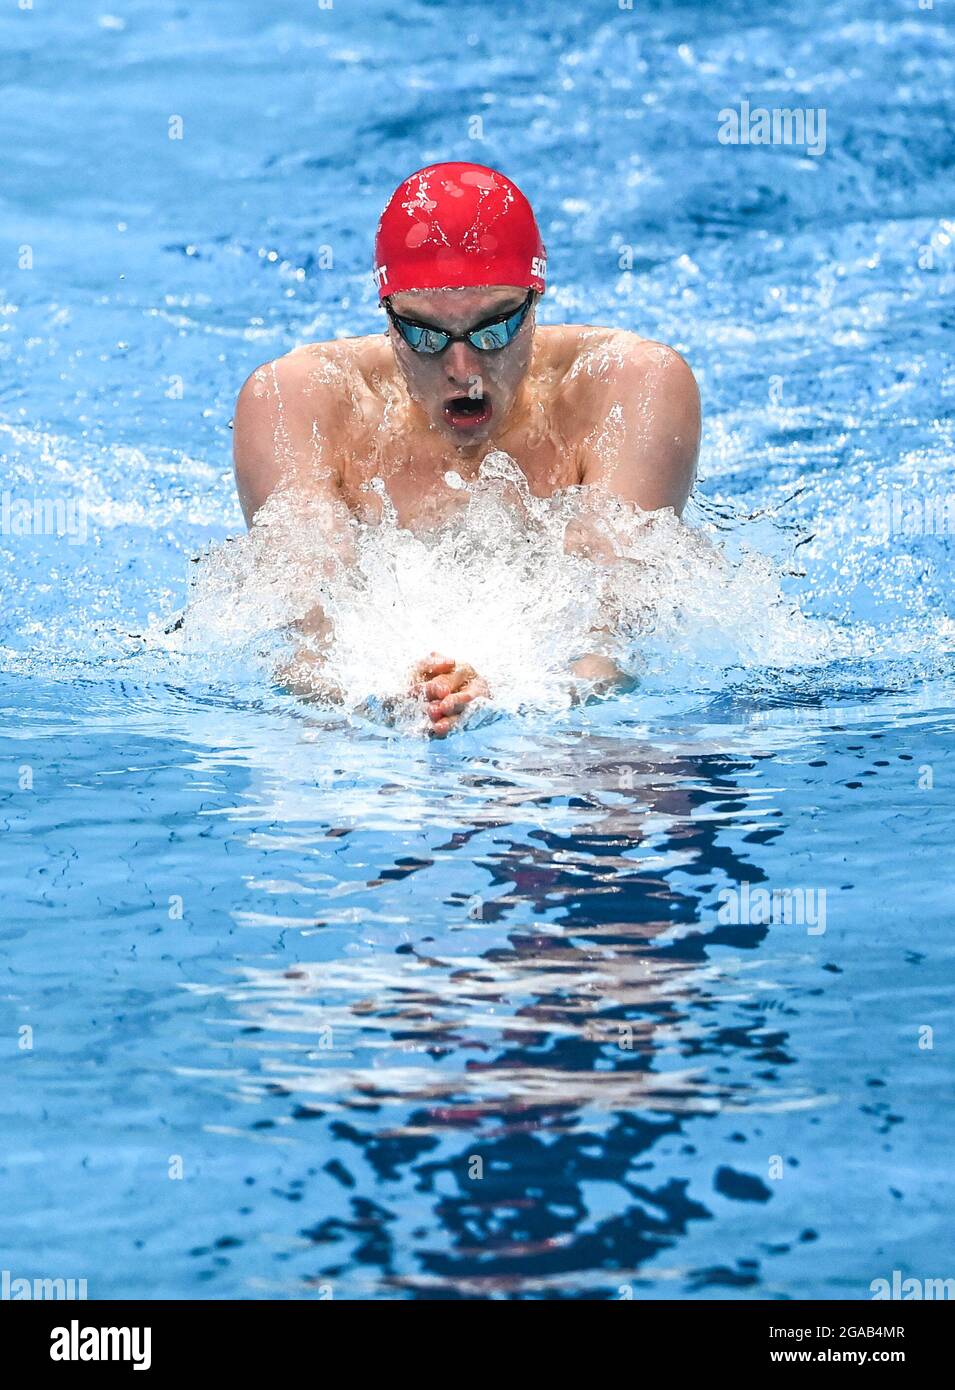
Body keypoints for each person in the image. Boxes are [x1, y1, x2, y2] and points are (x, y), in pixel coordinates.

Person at [233, 161, 701, 736]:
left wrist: (517, 694)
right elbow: (308, 647)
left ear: (535, 300)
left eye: (494, 329)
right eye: (424, 335)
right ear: (387, 315)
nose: (463, 368)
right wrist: (383, 696)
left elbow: (607, 641)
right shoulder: (297, 401)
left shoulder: (629, 387)